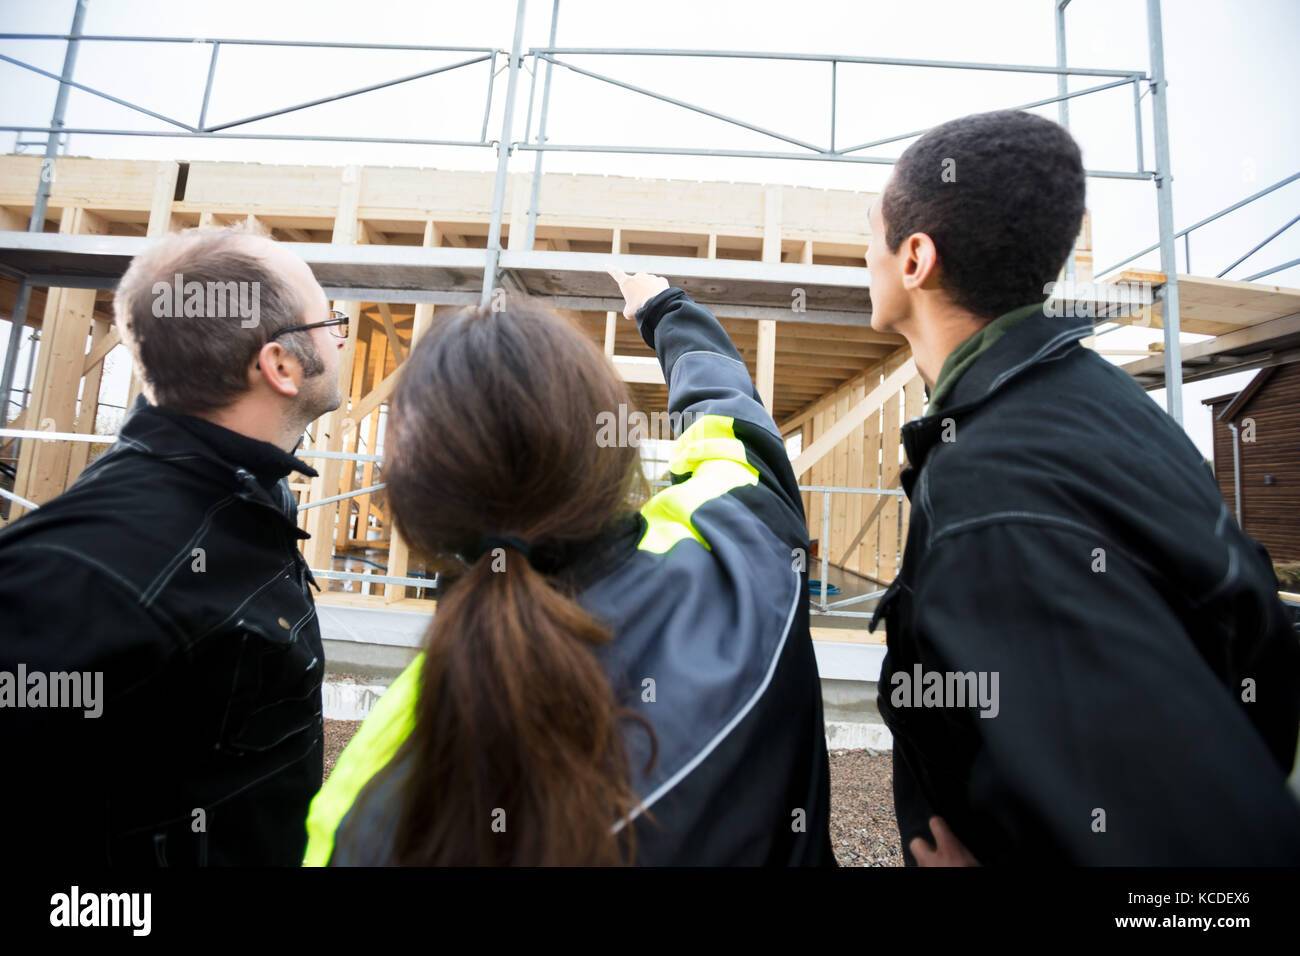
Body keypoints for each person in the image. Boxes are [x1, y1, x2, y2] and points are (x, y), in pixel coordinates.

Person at [865, 108, 1300, 865]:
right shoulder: (1100, 401)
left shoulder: (994, 494)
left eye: (869, 239)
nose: (861, 258)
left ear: (914, 260)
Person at [303, 270, 834, 865]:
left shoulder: (369, 790)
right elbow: (731, 421)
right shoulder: (741, 552)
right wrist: (665, 309)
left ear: (417, 512)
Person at [0, 227, 344, 865]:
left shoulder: (253, 497)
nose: (341, 337)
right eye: (331, 321)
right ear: (281, 366)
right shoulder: (74, 578)